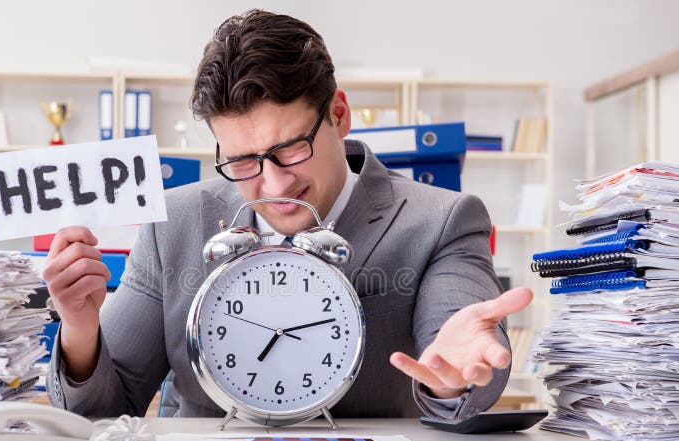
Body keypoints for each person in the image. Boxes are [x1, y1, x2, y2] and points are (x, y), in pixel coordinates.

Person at [44, 9, 532, 420]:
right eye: (242, 160)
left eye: (292, 148)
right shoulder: (173, 224)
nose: (275, 185)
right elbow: (104, 409)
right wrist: (81, 331)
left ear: (339, 114)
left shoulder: (442, 220)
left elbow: (463, 354)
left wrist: (451, 380)